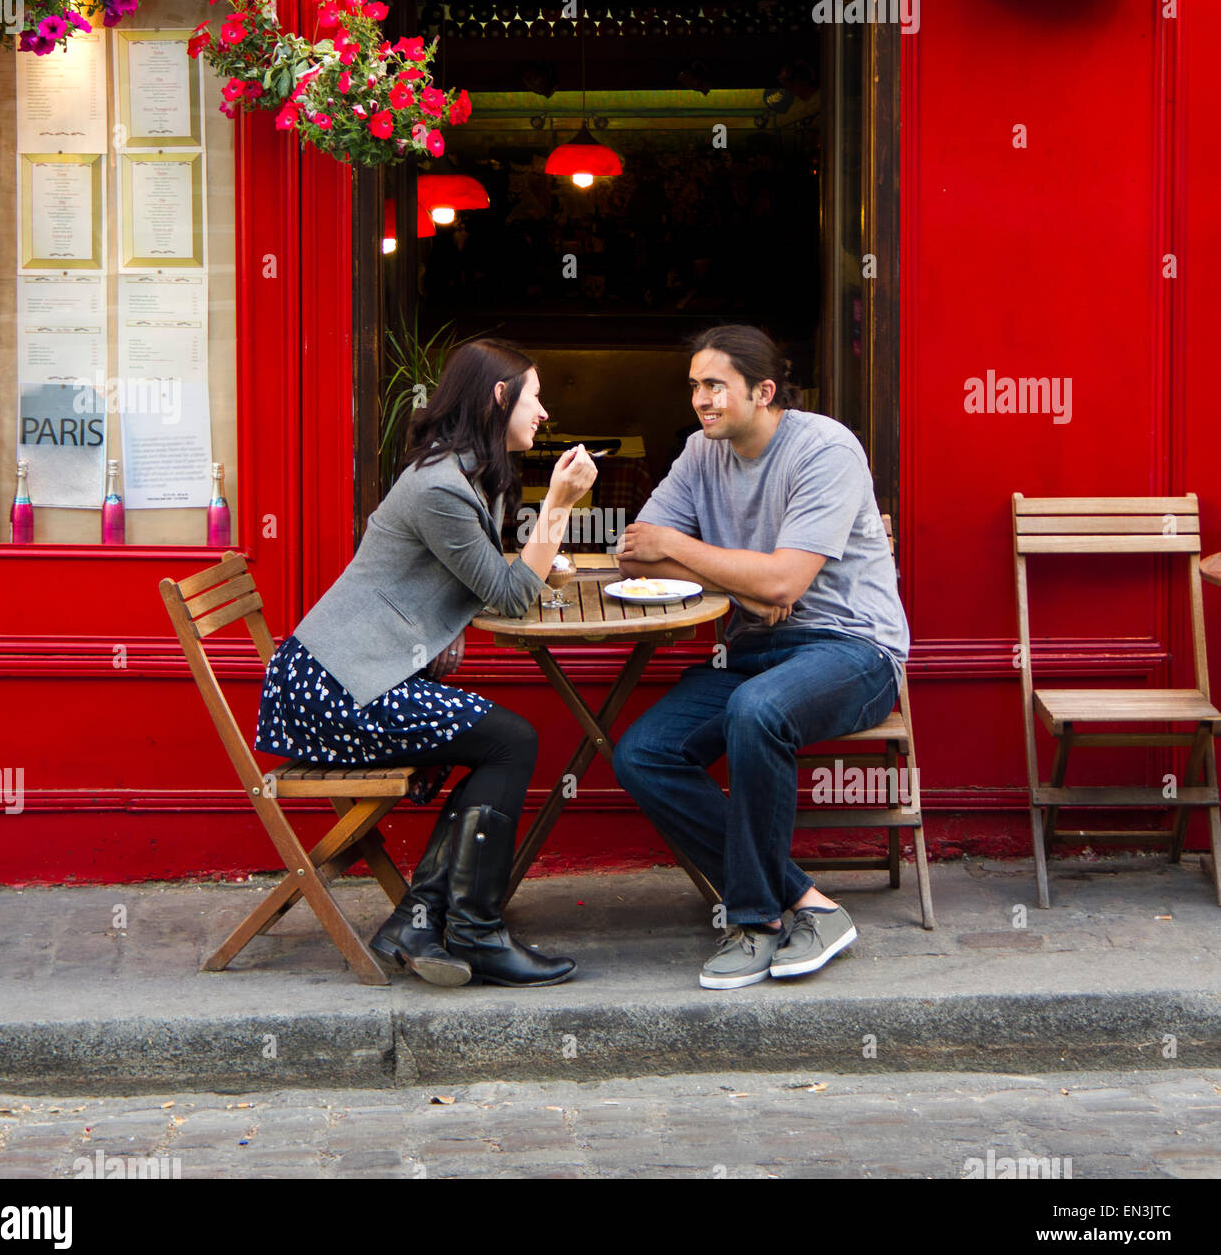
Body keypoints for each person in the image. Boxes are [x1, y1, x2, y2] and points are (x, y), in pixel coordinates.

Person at [254, 339, 597, 988]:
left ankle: (420, 919)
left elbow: (492, 579)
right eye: (535, 396)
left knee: (498, 741)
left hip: (354, 677)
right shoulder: (441, 487)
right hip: (331, 691)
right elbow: (512, 594)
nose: (544, 413)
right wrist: (559, 506)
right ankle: (475, 930)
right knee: (510, 739)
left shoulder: (461, 476)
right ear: (500, 398)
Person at [613, 325, 909, 990]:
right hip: (753, 649)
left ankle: (753, 922)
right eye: (694, 386)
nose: (700, 400)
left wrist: (717, 562)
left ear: (763, 391)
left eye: (714, 385)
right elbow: (636, 552)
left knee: (757, 712)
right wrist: (745, 576)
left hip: (852, 648)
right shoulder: (699, 453)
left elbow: (780, 586)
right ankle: (806, 902)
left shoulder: (826, 450)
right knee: (641, 753)